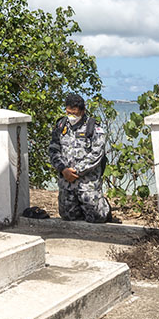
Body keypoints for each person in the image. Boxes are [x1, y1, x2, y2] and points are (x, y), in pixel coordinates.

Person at [48, 92, 111, 223]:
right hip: (66, 179)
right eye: (68, 112)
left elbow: (96, 154)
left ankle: (104, 207)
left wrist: (75, 171)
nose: (71, 116)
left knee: (96, 218)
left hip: (87, 181)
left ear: (82, 111)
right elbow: (53, 149)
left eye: (74, 113)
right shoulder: (61, 126)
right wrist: (63, 169)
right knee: (67, 216)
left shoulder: (94, 128)